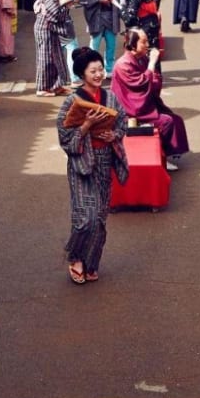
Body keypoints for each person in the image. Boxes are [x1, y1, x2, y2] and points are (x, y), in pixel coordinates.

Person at [57, 47, 128, 285]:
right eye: (93, 71)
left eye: (100, 69)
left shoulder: (111, 97)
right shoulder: (72, 101)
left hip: (104, 159)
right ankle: (75, 256)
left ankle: (91, 262)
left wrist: (114, 135)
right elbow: (65, 137)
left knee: (99, 218)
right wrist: (86, 125)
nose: (99, 74)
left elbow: (122, 121)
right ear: (82, 74)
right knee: (84, 217)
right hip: (81, 163)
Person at [111, 28, 189, 170]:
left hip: (142, 104)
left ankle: (167, 154)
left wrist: (153, 73)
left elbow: (152, 81)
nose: (147, 45)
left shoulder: (141, 58)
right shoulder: (123, 64)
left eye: (147, 41)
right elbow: (140, 84)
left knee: (175, 119)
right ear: (132, 44)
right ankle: (162, 156)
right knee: (167, 122)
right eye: (143, 42)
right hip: (130, 110)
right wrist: (152, 63)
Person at [84, 0, 127, 77]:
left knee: (111, 45)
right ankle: (91, 68)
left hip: (111, 14)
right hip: (96, 13)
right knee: (94, 45)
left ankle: (109, 68)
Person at [33, 0, 72, 97]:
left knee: (55, 56)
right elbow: (55, 13)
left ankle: (56, 85)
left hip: (48, 26)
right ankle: (43, 88)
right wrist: (66, 6)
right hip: (46, 27)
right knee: (46, 58)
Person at [59, 0, 92, 80]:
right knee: (72, 47)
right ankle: (75, 78)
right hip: (64, 19)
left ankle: (59, 79)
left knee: (58, 50)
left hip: (52, 19)